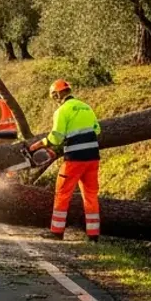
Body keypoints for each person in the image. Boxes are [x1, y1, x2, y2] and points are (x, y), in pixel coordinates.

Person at [27, 79, 101, 241]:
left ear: (58, 94)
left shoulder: (62, 111)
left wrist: (39, 144)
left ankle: (57, 231)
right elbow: (97, 129)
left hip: (74, 159)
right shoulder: (86, 107)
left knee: (62, 193)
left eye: (55, 96)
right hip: (93, 158)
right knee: (90, 196)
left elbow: (56, 137)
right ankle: (93, 235)